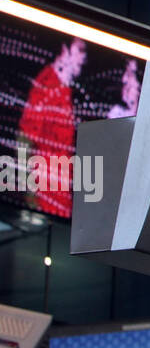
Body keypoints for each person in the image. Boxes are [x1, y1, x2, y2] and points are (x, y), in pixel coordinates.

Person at [17, 36, 86, 217]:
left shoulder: (66, 88)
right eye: (80, 50)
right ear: (64, 49)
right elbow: (24, 139)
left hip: (60, 203)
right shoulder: (48, 83)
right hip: (42, 204)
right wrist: (30, 194)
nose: (84, 58)